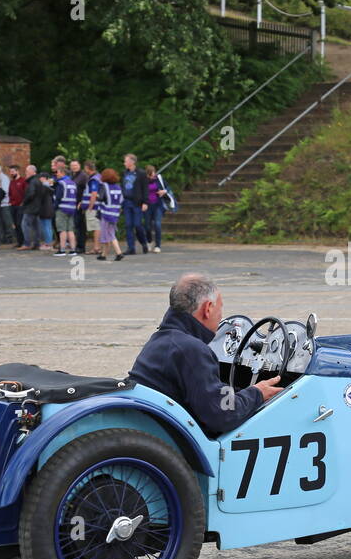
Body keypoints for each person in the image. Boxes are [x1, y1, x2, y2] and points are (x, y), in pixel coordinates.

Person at [128, 273, 282, 436]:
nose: (221, 315)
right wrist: (257, 393)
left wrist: (240, 393)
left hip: (151, 430)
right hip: (172, 440)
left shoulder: (161, 340)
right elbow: (222, 415)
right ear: (208, 309)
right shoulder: (191, 349)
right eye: (220, 308)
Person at [121, 153, 150, 254]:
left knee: (137, 225)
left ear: (132, 162)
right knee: (128, 225)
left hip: (137, 202)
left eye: (126, 161)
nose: (124, 163)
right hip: (127, 202)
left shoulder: (141, 173)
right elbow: (122, 186)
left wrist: (145, 202)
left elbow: (146, 188)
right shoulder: (124, 173)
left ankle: (144, 242)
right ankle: (131, 248)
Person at [95, 168, 125, 261]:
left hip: (105, 214)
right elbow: (121, 200)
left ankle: (118, 253)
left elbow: (100, 198)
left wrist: (96, 196)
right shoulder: (118, 187)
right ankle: (104, 255)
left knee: (107, 235)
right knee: (110, 233)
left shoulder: (104, 186)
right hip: (115, 214)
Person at [53, 163, 79, 256]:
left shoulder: (61, 183)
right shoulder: (73, 183)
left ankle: (62, 250)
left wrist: (54, 207)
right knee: (70, 230)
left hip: (62, 208)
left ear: (63, 173)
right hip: (71, 209)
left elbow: (58, 197)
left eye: (58, 172)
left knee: (62, 230)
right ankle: (73, 250)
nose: (57, 174)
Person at [17, 165, 42, 250]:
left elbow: (31, 194)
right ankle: (36, 243)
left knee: (25, 225)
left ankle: (27, 243)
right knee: (36, 226)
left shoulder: (33, 181)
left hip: (30, 207)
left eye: (27, 171)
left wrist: (24, 202)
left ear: (32, 171)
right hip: (37, 207)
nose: (26, 173)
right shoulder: (38, 181)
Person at [144, 165, 166, 251]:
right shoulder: (144, 181)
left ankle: (158, 245)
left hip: (157, 205)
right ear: (148, 174)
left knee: (157, 224)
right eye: (151, 175)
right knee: (147, 226)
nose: (154, 176)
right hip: (147, 205)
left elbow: (167, 188)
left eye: (154, 174)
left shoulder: (159, 180)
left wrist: (164, 191)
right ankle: (149, 241)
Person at [7, 164, 27, 248]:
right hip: (13, 206)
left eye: (12, 171)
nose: (11, 173)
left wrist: (23, 203)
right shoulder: (11, 182)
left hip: (21, 206)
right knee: (15, 224)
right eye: (10, 172)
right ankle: (19, 242)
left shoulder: (23, 181)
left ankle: (24, 242)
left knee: (20, 224)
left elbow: (26, 193)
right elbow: (10, 193)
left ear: (17, 171)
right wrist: (10, 202)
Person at [71, 160, 88, 254]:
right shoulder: (72, 176)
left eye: (76, 165)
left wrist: (83, 201)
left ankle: (81, 246)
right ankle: (78, 245)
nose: (74, 167)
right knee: (76, 225)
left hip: (79, 204)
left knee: (80, 225)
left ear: (79, 166)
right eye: (72, 165)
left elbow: (87, 189)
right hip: (73, 203)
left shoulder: (83, 176)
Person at [36, 171, 56, 249]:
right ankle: (48, 242)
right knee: (47, 226)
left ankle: (48, 243)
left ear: (44, 178)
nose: (39, 179)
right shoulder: (49, 186)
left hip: (46, 209)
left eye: (40, 177)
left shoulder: (44, 187)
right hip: (47, 208)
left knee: (46, 226)